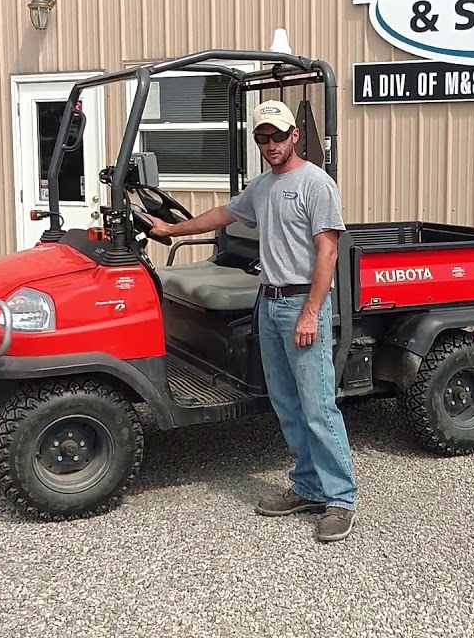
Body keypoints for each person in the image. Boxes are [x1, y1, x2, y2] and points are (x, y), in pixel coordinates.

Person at [141, 99, 359, 543]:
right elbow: (222, 214)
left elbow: (328, 252)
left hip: (302, 303)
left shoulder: (316, 184)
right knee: (286, 403)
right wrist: (169, 231)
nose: (271, 144)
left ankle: (341, 500)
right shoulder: (262, 187)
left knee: (318, 406)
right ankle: (308, 486)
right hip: (270, 302)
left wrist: (312, 312)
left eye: (279, 135)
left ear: (294, 135)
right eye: (263, 137)